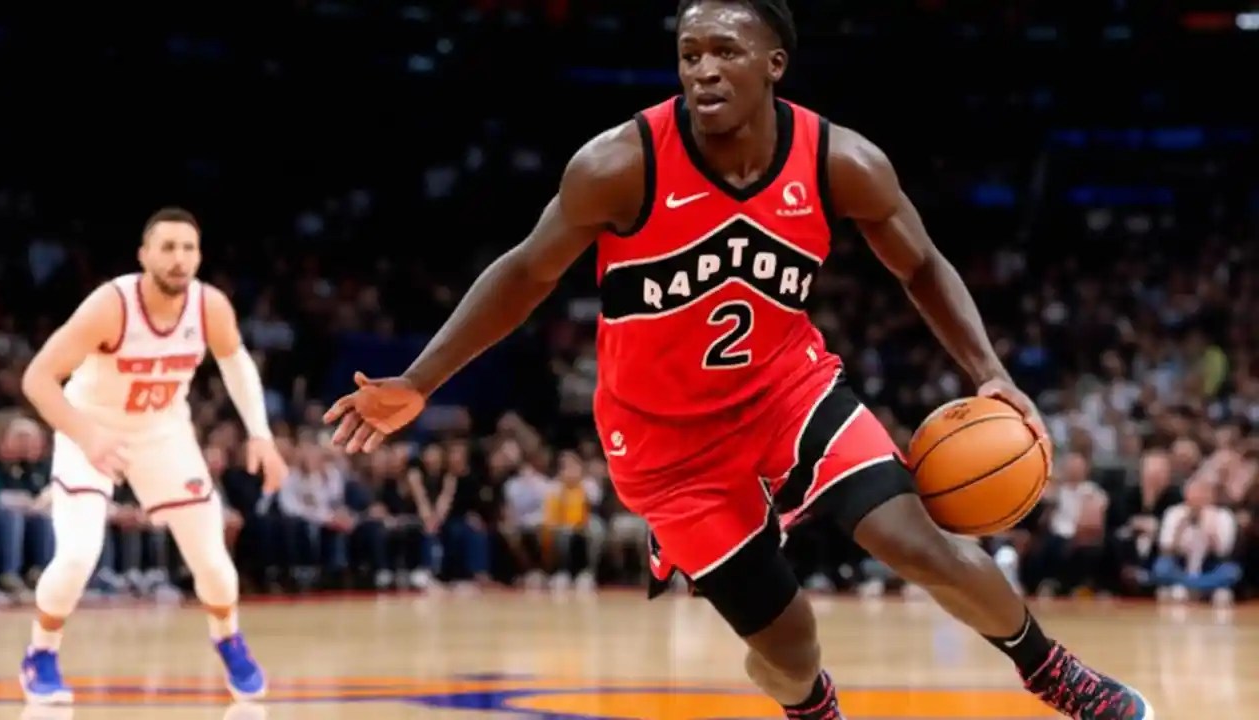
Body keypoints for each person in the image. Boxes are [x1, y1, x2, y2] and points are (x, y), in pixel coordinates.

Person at [322, 2, 1154, 718]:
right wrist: (420, 381)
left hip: (789, 391)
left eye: (726, 52)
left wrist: (991, 374)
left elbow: (923, 264)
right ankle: (810, 702)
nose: (704, 70)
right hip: (664, 442)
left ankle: (1054, 673)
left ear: (774, 64)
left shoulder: (839, 161)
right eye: (690, 54)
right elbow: (525, 272)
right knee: (790, 646)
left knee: (920, 543)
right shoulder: (618, 164)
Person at [19, 207, 287, 704]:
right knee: (77, 555)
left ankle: (227, 637)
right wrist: (86, 435)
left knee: (212, 560)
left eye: (188, 248)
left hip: (162, 433)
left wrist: (261, 434)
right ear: (144, 255)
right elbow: (36, 377)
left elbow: (236, 362)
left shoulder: (210, 307)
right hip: (91, 426)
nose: (179, 259)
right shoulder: (111, 305)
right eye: (167, 247)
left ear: (199, 256)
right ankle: (41, 652)